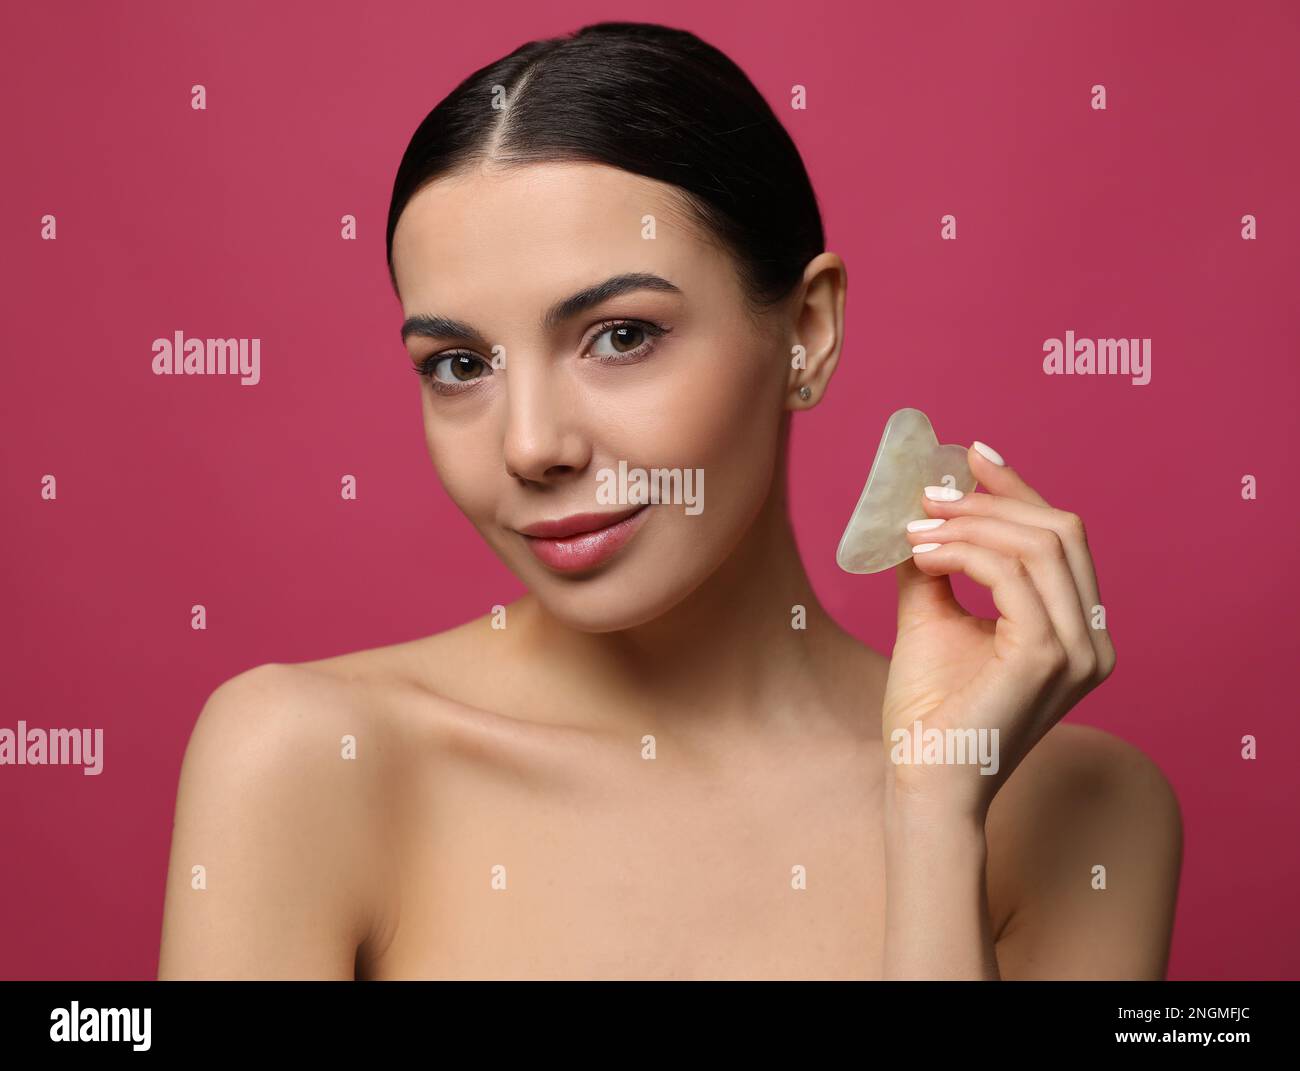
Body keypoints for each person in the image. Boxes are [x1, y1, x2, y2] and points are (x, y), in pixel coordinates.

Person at [158, 20, 1181, 980]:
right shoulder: (306, 757)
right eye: (460, 363)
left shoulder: (1079, 810)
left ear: (807, 332)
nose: (531, 447)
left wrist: (932, 816)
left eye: (620, 336)